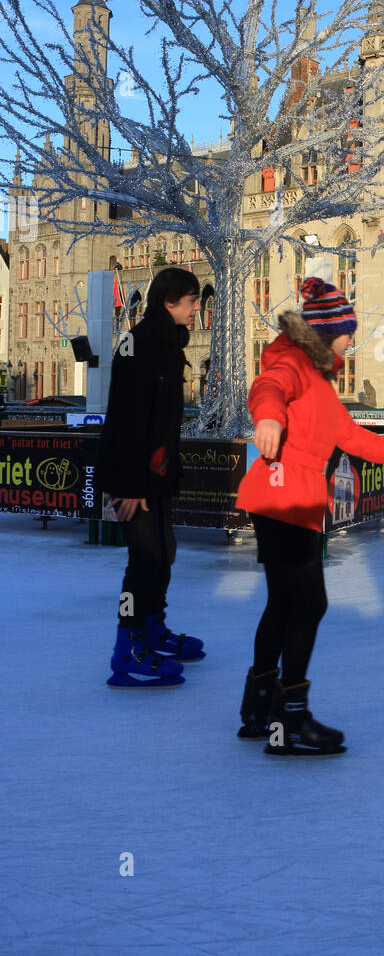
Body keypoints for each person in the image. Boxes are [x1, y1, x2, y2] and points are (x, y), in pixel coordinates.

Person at [234, 277, 384, 757]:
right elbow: (268, 386)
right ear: (328, 332)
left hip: (287, 501)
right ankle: (291, 720)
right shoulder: (295, 364)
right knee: (308, 604)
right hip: (287, 499)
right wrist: (268, 418)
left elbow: (351, 436)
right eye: (348, 331)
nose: (352, 339)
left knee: (284, 603)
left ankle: (260, 707)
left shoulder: (319, 381)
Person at [98, 267, 203, 688]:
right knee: (142, 560)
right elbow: (125, 419)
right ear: (169, 302)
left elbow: (162, 421)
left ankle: (152, 627)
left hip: (156, 473)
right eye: (192, 301)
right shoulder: (137, 344)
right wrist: (128, 485)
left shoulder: (168, 345)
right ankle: (127, 647)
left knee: (164, 552)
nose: (197, 309)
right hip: (134, 477)